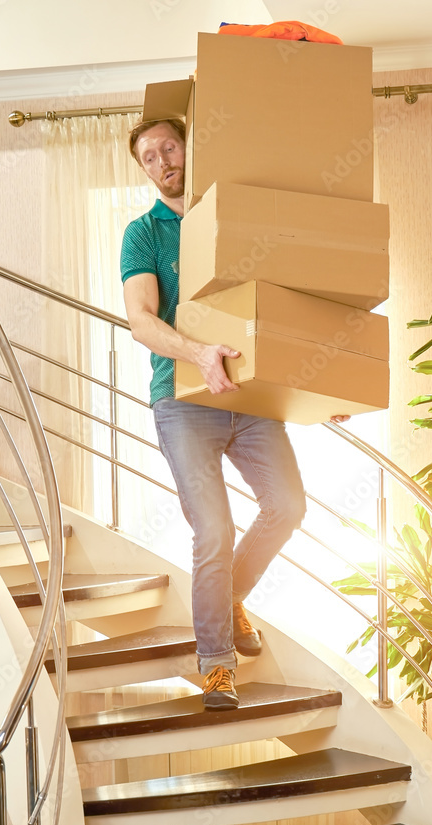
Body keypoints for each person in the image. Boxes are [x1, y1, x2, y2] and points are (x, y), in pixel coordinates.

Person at [120, 117, 309, 710]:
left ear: (188, 147)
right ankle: (217, 664)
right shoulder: (142, 233)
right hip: (182, 401)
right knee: (215, 528)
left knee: (288, 505)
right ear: (144, 169)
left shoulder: (231, 214)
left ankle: (229, 598)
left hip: (250, 397)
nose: (161, 161)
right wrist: (198, 353)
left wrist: (326, 389)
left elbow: (280, 300)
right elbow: (142, 320)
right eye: (148, 156)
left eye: (169, 147)